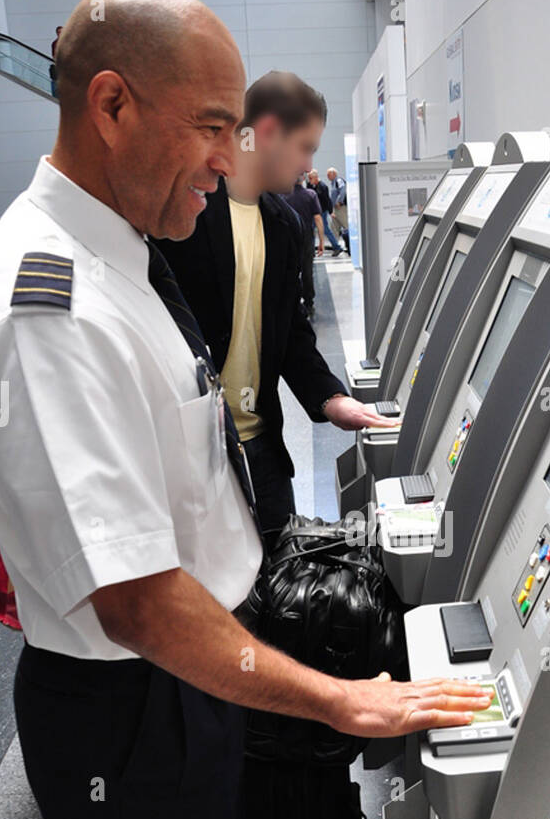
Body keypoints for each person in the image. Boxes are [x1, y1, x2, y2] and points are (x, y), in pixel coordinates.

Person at [0, 0, 492, 819]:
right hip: (126, 710)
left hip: (181, 679)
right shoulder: (45, 306)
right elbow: (137, 601)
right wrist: (340, 698)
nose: (230, 152)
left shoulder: (121, 252)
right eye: (209, 122)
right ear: (111, 104)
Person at [156, 70, 398, 544]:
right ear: (267, 133)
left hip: (261, 449)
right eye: (305, 147)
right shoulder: (186, 212)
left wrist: (333, 400)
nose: (309, 162)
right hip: (188, 455)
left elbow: (290, 336)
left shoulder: (283, 224)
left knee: (281, 591)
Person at [283, 172, 323, 317]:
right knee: (307, 272)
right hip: (306, 238)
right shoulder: (310, 195)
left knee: (290, 271)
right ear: (304, 179)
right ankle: (308, 302)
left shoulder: (283, 195)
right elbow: (318, 219)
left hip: (288, 239)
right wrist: (321, 242)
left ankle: (292, 303)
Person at [308, 167, 343, 255]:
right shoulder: (310, 185)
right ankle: (311, 250)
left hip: (322, 212)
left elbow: (327, 200)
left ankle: (337, 247)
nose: (309, 180)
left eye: (311, 178)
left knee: (325, 230)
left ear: (316, 177)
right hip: (313, 212)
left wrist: (331, 212)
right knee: (311, 230)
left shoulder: (323, 187)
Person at [326, 166, 350, 252]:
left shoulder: (338, 180)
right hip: (335, 208)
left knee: (345, 225)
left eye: (328, 174)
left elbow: (343, 190)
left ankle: (350, 246)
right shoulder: (333, 182)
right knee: (334, 227)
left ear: (333, 174)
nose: (327, 176)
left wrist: (339, 201)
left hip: (341, 207)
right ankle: (335, 245)